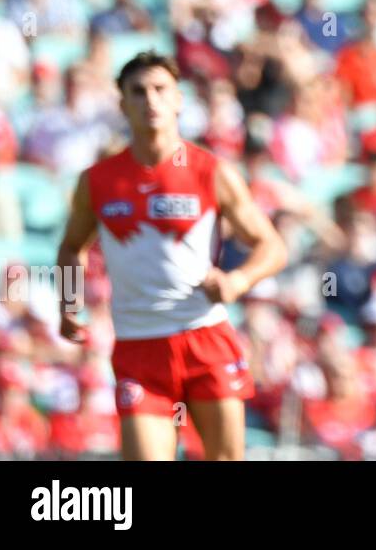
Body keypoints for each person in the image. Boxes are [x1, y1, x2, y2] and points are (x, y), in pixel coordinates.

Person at [56, 51, 287, 460]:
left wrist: (237, 280)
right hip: (139, 346)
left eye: (161, 89)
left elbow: (271, 246)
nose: (151, 100)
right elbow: (72, 246)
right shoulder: (99, 181)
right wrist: (69, 302)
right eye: (138, 91)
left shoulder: (211, 172)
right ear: (122, 103)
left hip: (204, 337)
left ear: (179, 99)